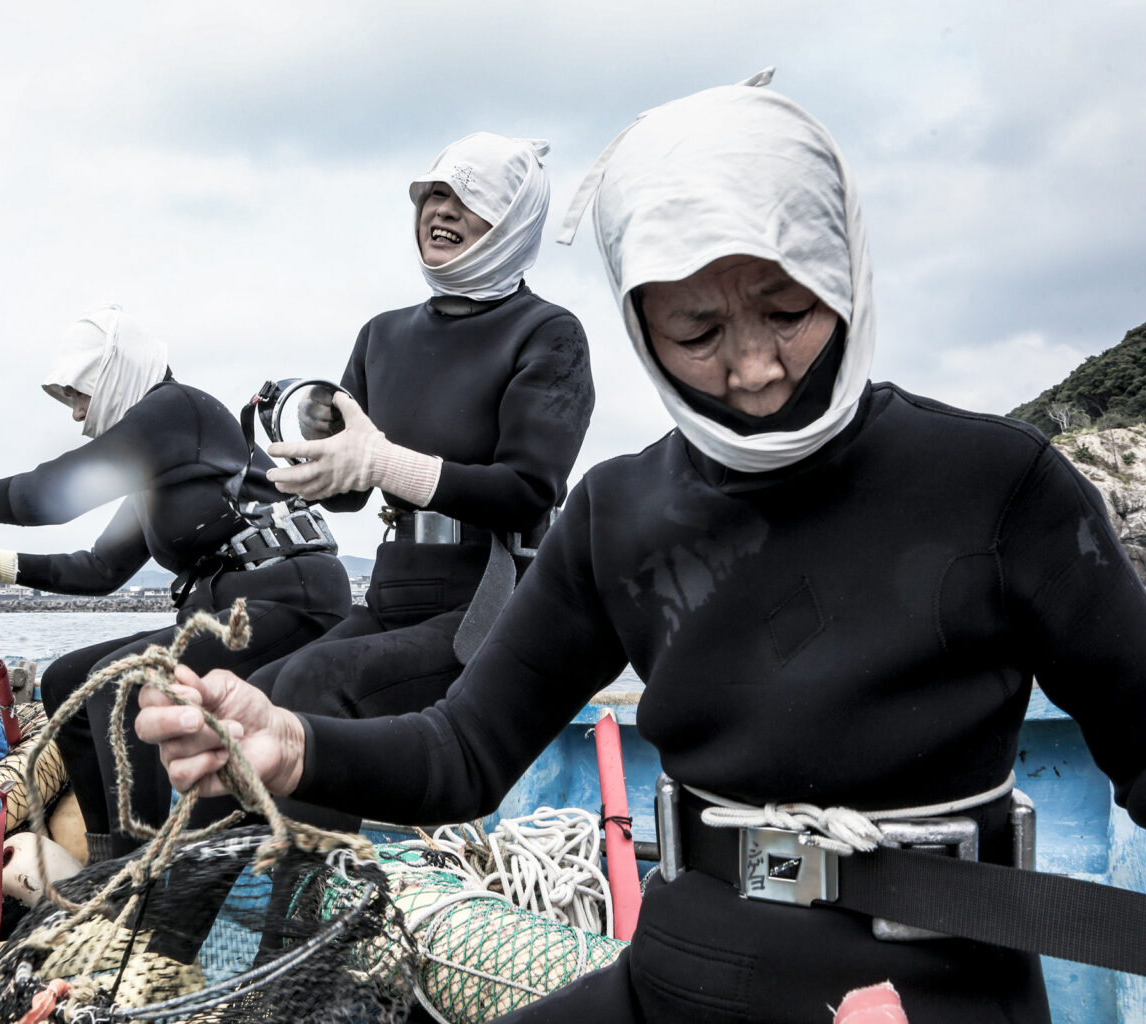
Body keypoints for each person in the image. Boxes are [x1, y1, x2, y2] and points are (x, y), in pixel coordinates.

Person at [137, 83, 1146, 1023]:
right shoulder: (616, 511)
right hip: (676, 982)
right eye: (697, 329)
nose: (753, 367)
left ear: (845, 264)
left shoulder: (1001, 486)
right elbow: (463, 750)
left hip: (935, 993)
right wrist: (296, 745)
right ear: (639, 319)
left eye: (789, 309)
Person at [0, 306, 349, 862]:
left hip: (293, 598)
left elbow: (51, 494)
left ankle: (135, 873)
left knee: (117, 682)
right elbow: (98, 570)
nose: (75, 414)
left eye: (77, 396)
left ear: (113, 372)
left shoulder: (179, 410)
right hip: (231, 612)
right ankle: (104, 852)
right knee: (69, 679)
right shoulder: (164, 463)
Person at [246, 133, 594, 829]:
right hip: (395, 583)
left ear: (515, 223)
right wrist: (306, 465)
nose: (441, 210)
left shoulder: (548, 334)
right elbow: (349, 490)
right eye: (433, 193)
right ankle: (203, 900)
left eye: (468, 200)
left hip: (489, 606)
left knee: (315, 683)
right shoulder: (383, 334)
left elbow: (528, 489)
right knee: (256, 694)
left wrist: (383, 462)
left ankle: (309, 910)